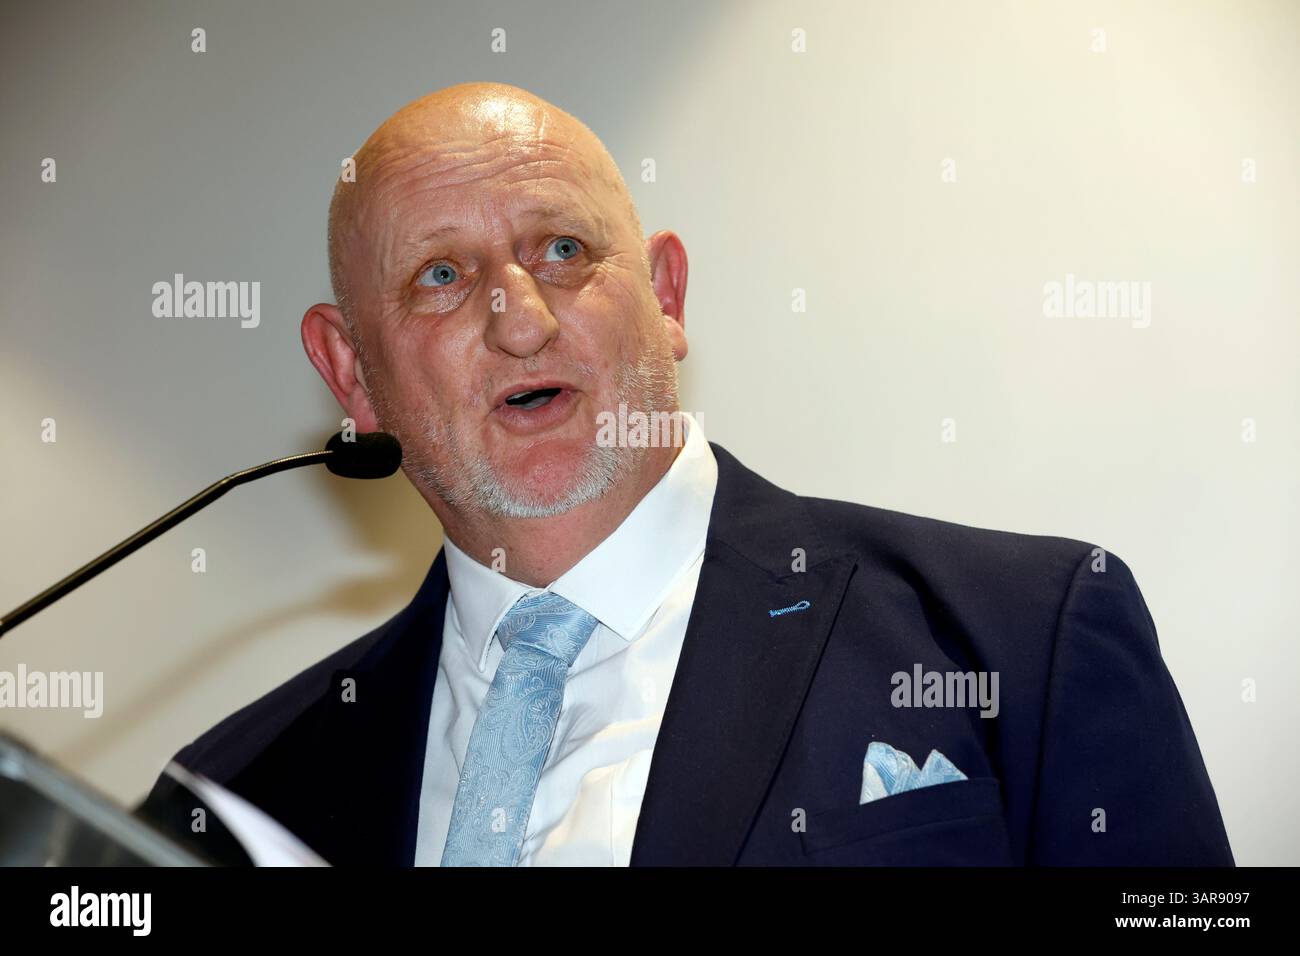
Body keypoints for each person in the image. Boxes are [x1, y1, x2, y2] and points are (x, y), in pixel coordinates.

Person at [137, 82, 1233, 866]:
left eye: (562, 249)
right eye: (439, 274)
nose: (519, 320)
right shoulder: (235, 796)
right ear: (350, 370)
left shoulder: (1016, 637)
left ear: (664, 293)